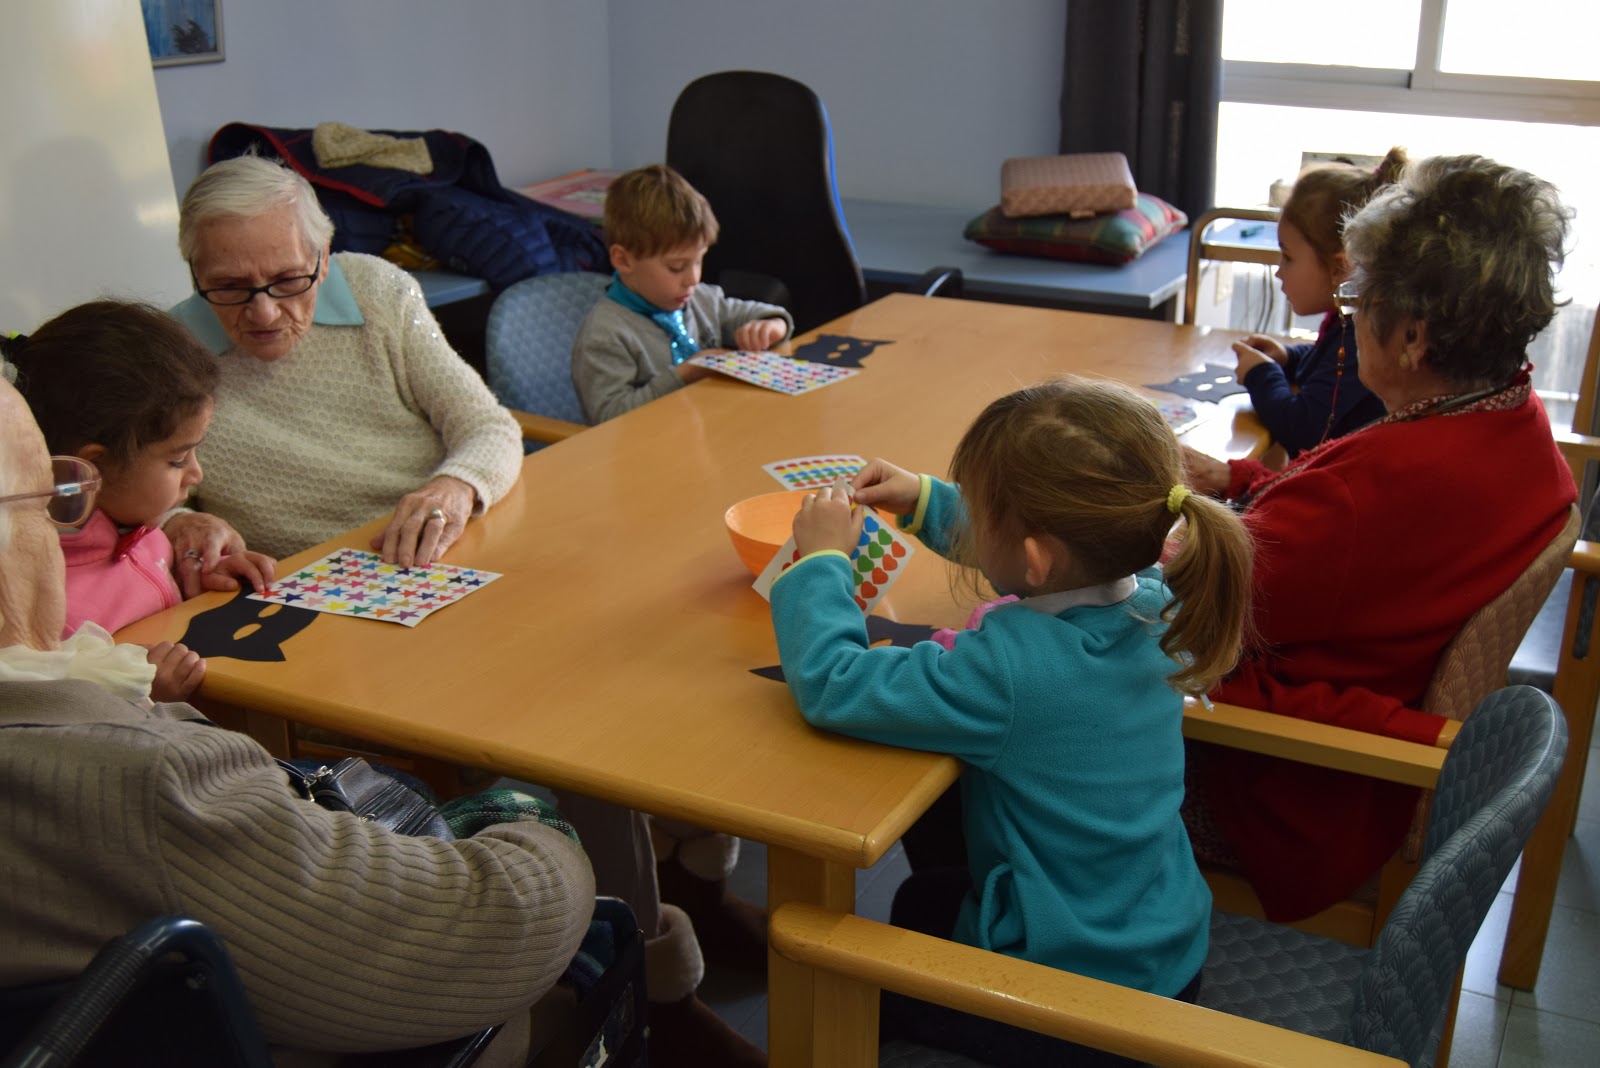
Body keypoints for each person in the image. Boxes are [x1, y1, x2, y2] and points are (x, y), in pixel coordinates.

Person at [0, 372, 595, 1067]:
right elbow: (486, 929)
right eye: (55, 500)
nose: (67, 529)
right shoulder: (138, 776)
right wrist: (537, 830)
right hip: (351, 996)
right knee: (573, 924)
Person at [768, 377, 1254, 1066]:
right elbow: (1047, 551)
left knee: (852, 973)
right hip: (1162, 953)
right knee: (924, 900)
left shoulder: (1012, 670)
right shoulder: (1160, 601)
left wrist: (820, 563)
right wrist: (930, 500)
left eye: (984, 512)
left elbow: (831, 683)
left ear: (1033, 555)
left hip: (1072, 1005)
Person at [1181, 154, 1578, 922]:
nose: (1350, 313)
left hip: (1285, 785)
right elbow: (1354, 550)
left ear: (1414, 337)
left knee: (1024, 737)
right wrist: (1240, 481)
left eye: (1360, 297)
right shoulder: (1512, 417)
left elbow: (1198, 615)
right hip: (1367, 768)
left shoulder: (1368, 493)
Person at [165, 153, 524, 569]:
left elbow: (489, 426)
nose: (264, 313)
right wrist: (179, 522)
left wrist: (455, 486)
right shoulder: (169, 353)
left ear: (323, 260)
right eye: (229, 285)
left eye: (287, 279)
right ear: (196, 275)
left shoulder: (376, 291)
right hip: (302, 582)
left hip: (443, 546)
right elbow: (135, 501)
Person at [4, 301, 275, 702]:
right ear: (93, 468)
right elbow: (56, 733)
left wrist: (201, 582)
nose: (196, 474)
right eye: (178, 459)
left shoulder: (133, 527)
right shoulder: (41, 608)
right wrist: (143, 697)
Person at [570, 163, 794, 424]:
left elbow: (754, 314)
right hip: (641, 453)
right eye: (676, 267)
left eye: (698, 261)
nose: (692, 279)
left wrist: (772, 324)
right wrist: (685, 374)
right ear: (623, 260)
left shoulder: (700, 299)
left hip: (705, 433)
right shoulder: (606, 334)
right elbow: (610, 418)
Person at [1230, 149, 1405, 459]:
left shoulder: (1364, 337)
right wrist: (1289, 359)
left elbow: (1303, 430)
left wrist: (1261, 374)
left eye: (1288, 257)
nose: (1279, 271)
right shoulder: (1347, 322)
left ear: (1339, 269)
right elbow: (1328, 368)